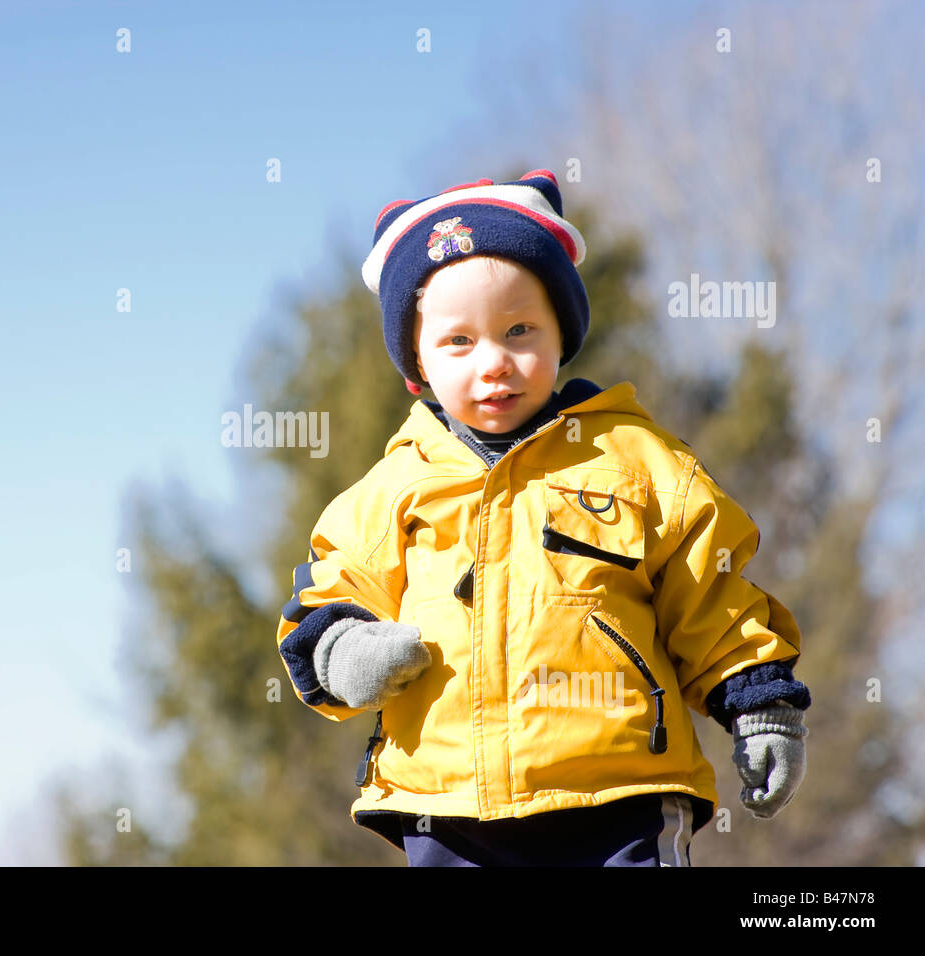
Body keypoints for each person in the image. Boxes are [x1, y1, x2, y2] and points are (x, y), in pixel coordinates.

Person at [274, 170, 811, 866]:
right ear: (418, 364)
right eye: (458, 341)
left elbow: (712, 592)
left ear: (562, 334)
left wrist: (760, 704)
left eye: (519, 330)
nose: (494, 362)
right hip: (447, 807)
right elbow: (329, 592)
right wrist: (343, 651)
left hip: (620, 798)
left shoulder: (636, 460)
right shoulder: (394, 487)